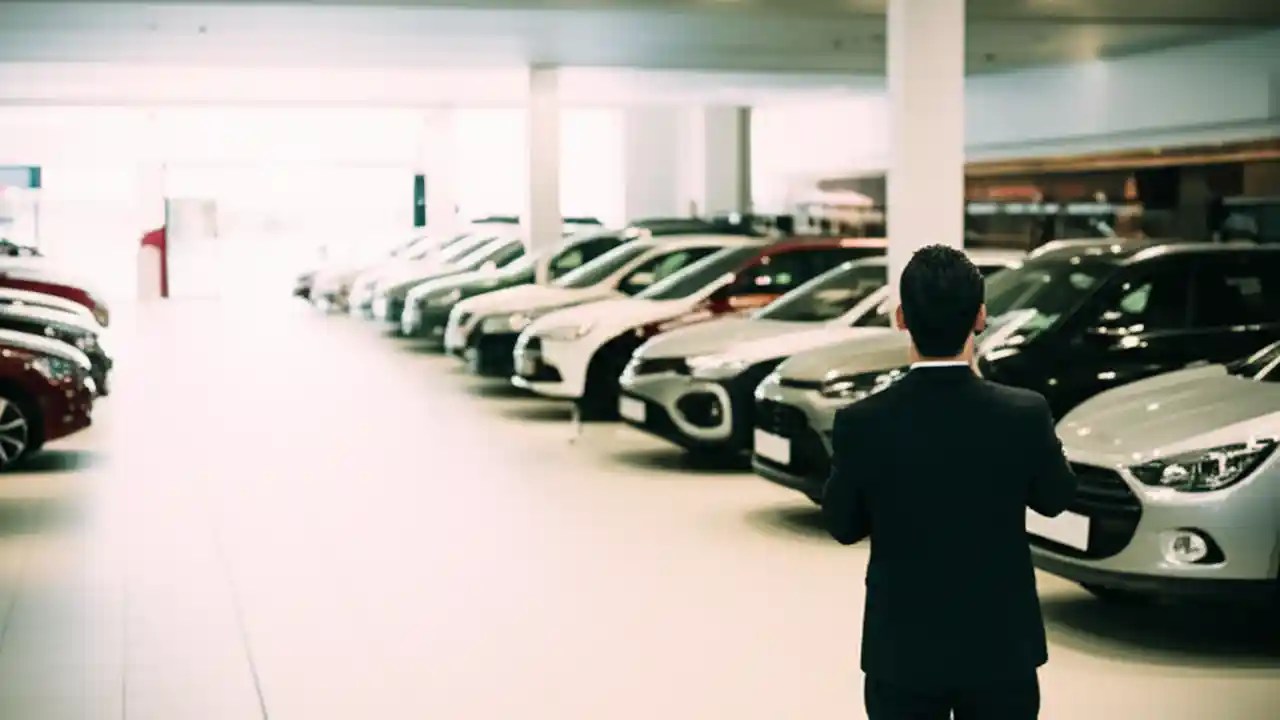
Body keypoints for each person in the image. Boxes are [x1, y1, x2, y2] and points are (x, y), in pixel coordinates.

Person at [821, 245, 1077, 720]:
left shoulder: (862, 421)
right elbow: (1056, 498)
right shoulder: (1024, 413)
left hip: (902, 651)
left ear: (901, 317)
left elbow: (843, 525)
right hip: (1001, 648)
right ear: (980, 317)